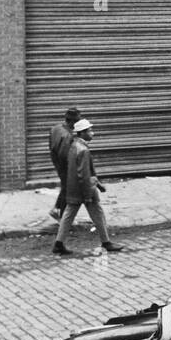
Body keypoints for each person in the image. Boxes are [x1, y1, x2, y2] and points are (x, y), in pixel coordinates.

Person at [52, 118, 123, 255]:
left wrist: (99, 184)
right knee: (98, 214)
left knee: (68, 215)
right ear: (82, 133)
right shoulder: (83, 150)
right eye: (89, 131)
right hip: (85, 189)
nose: (92, 133)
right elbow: (83, 174)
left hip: (75, 188)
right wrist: (88, 195)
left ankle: (58, 243)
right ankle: (106, 242)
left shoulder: (73, 146)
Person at [48, 106, 81, 222]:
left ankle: (57, 209)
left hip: (55, 159)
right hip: (64, 164)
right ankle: (62, 216)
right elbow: (65, 154)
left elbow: (51, 144)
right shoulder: (68, 135)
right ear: (72, 121)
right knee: (68, 187)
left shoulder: (55, 128)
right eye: (77, 121)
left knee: (65, 186)